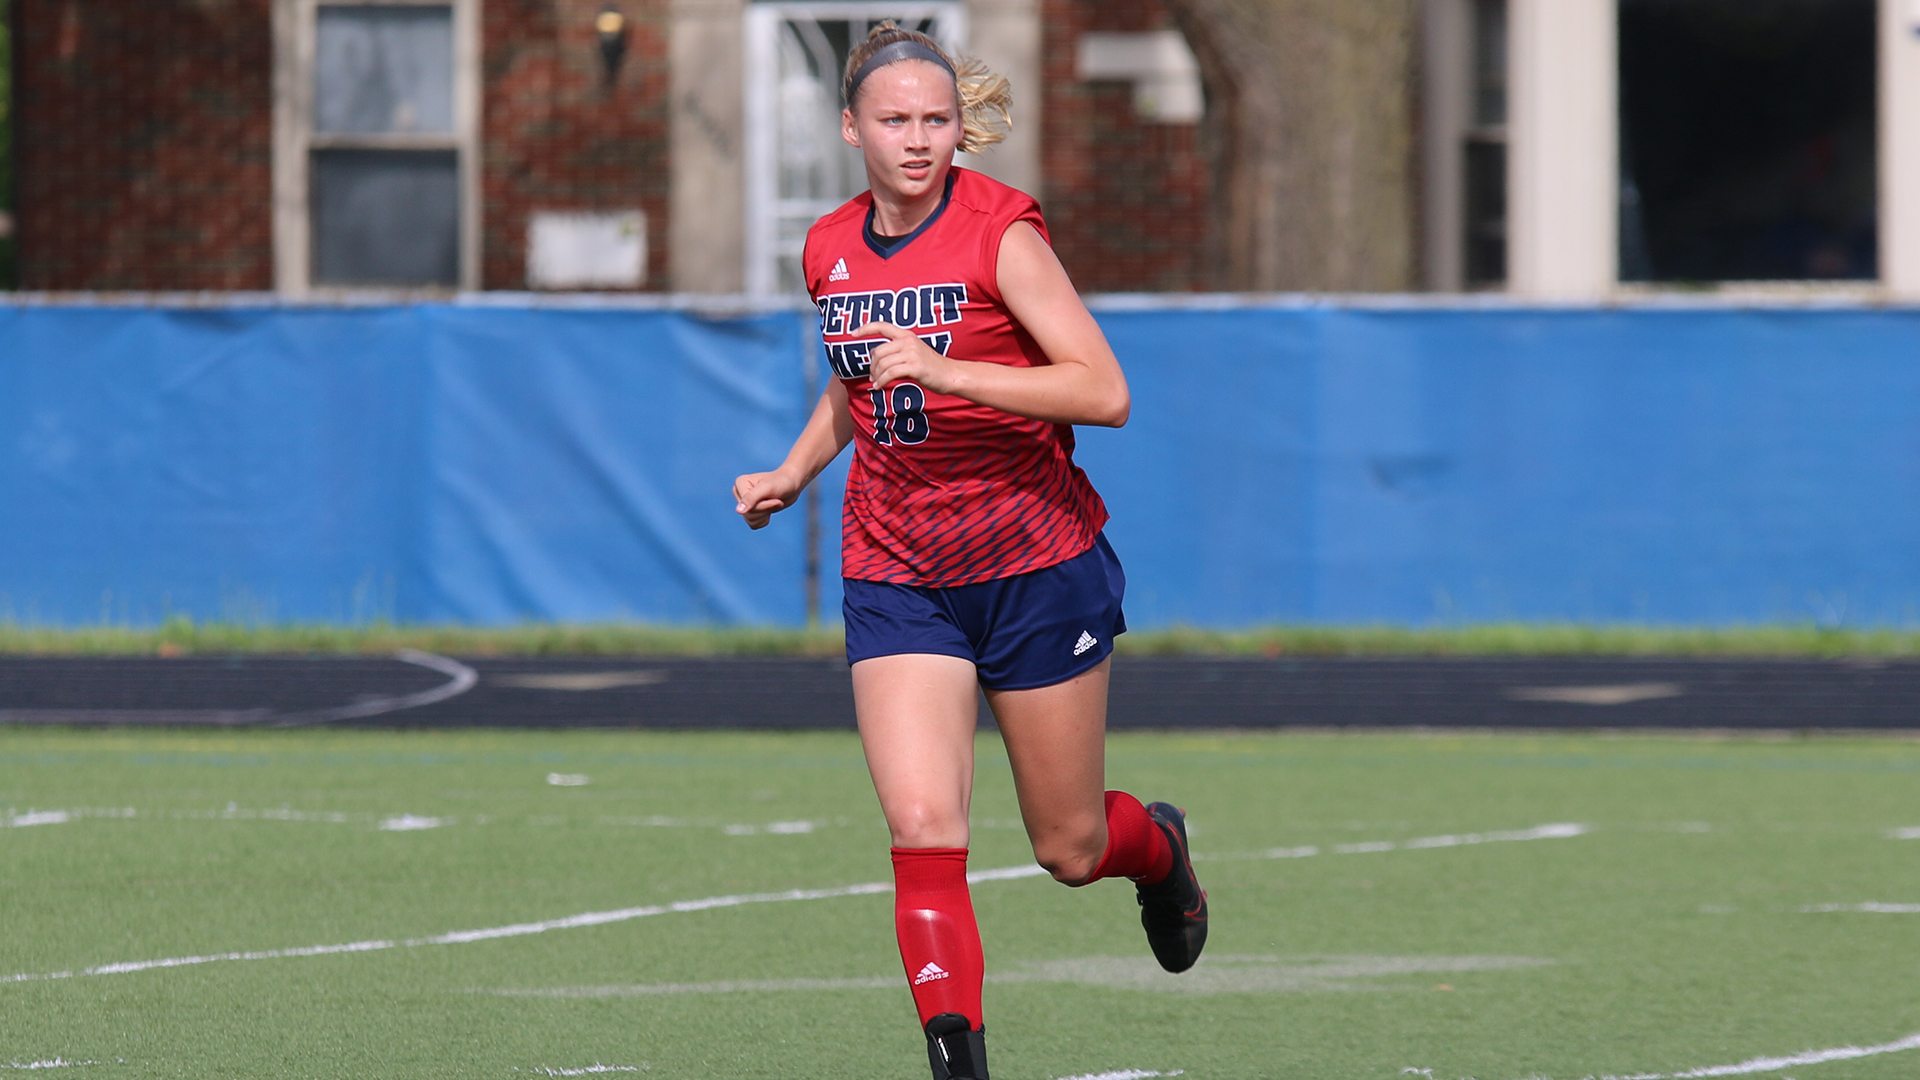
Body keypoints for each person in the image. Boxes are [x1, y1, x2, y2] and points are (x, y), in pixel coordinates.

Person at [731, 23, 1206, 1080]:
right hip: (898, 567)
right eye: (894, 120)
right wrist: (795, 469)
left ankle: (1161, 852)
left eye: (935, 120)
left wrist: (954, 376)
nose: (916, 140)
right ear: (851, 126)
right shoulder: (828, 247)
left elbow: (1104, 390)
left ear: (960, 129)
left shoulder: (1001, 237)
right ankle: (959, 1065)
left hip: (1035, 562)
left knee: (1068, 848)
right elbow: (858, 384)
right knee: (921, 823)